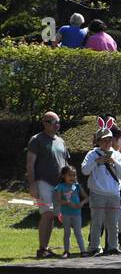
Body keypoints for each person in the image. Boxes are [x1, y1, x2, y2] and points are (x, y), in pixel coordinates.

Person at [26, 111, 68, 259]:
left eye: (58, 122)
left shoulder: (61, 141)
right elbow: (30, 163)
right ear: (45, 123)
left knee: (52, 216)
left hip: (59, 185)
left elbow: (65, 164)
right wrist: (32, 184)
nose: (57, 125)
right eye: (53, 122)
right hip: (43, 182)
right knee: (48, 213)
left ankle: (46, 248)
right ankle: (42, 249)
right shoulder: (37, 140)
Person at [81, 125, 121, 256]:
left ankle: (113, 247)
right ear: (98, 141)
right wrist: (97, 161)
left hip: (114, 193)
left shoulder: (116, 154)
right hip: (97, 194)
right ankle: (94, 247)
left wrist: (114, 161)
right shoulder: (92, 154)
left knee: (113, 223)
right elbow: (84, 170)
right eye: (103, 140)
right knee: (96, 221)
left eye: (109, 140)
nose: (107, 143)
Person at [52, 165, 86, 257]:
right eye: (69, 175)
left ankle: (83, 251)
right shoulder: (60, 186)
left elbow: (86, 198)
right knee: (67, 232)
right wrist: (67, 202)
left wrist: (81, 204)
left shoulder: (77, 186)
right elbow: (58, 200)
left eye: (74, 175)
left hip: (77, 213)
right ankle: (66, 251)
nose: (72, 177)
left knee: (78, 232)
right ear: (63, 176)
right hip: (65, 213)